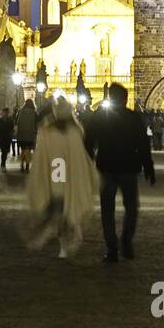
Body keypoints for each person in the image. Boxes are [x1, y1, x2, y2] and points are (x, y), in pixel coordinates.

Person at [83, 84, 155, 262]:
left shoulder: (99, 117)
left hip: (107, 166)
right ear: (125, 99)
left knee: (107, 210)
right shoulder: (133, 118)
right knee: (131, 207)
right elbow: (143, 144)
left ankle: (112, 248)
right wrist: (148, 166)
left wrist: (90, 158)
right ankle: (126, 239)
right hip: (128, 167)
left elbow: (88, 140)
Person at [26, 97, 99, 258]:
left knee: (59, 203)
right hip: (68, 172)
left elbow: (42, 154)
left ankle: (61, 235)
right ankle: (65, 236)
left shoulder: (49, 128)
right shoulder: (74, 130)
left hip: (56, 171)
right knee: (65, 205)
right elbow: (80, 153)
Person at [15, 98, 38, 172]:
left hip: (21, 134)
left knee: (23, 149)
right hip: (30, 134)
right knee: (28, 150)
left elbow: (17, 122)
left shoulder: (20, 112)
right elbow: (36, 124)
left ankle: (22, 164)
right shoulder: (34, 113)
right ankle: (27, 165)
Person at [0, 107, 15, 171]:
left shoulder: (10, 120)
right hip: (2, 137)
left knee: (5, 151)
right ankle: (3, 162)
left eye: (6, 112)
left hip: (7, 137)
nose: (5, 113)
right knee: (4, 151)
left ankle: (3, 162)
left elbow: (12, 128)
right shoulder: (0, 120)